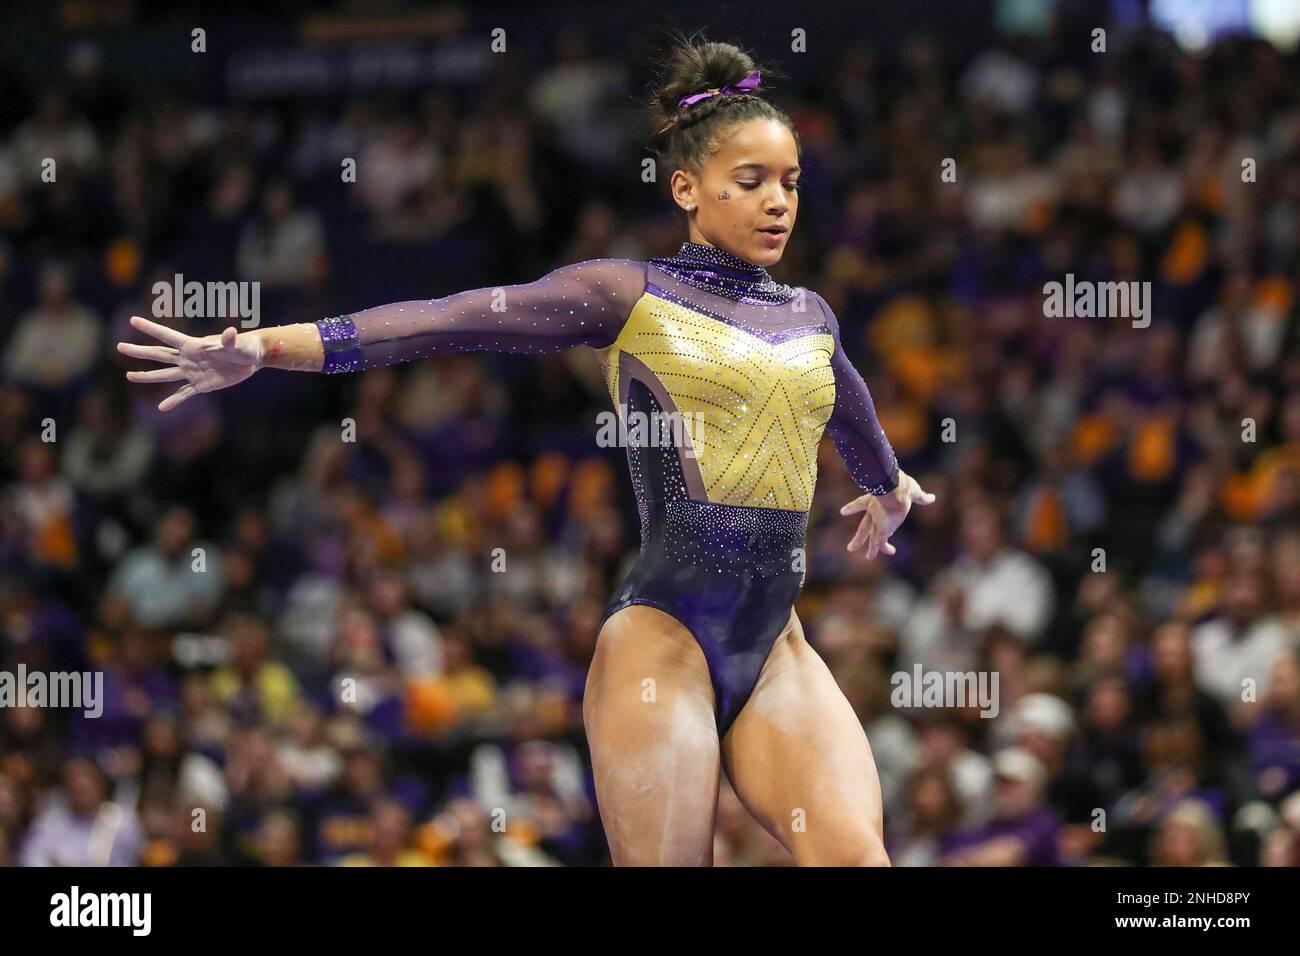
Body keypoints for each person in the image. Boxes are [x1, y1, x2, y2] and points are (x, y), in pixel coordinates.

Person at [115, 36, 934, 866]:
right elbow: (449, 317)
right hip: (664, 644)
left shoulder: (811, 315)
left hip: (778, 650)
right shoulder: (628, 294)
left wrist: (889, 485)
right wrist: (266, 346)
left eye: (790, 182)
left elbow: (853, 414)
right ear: (687, 188)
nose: (777, 203)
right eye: (751, 181)